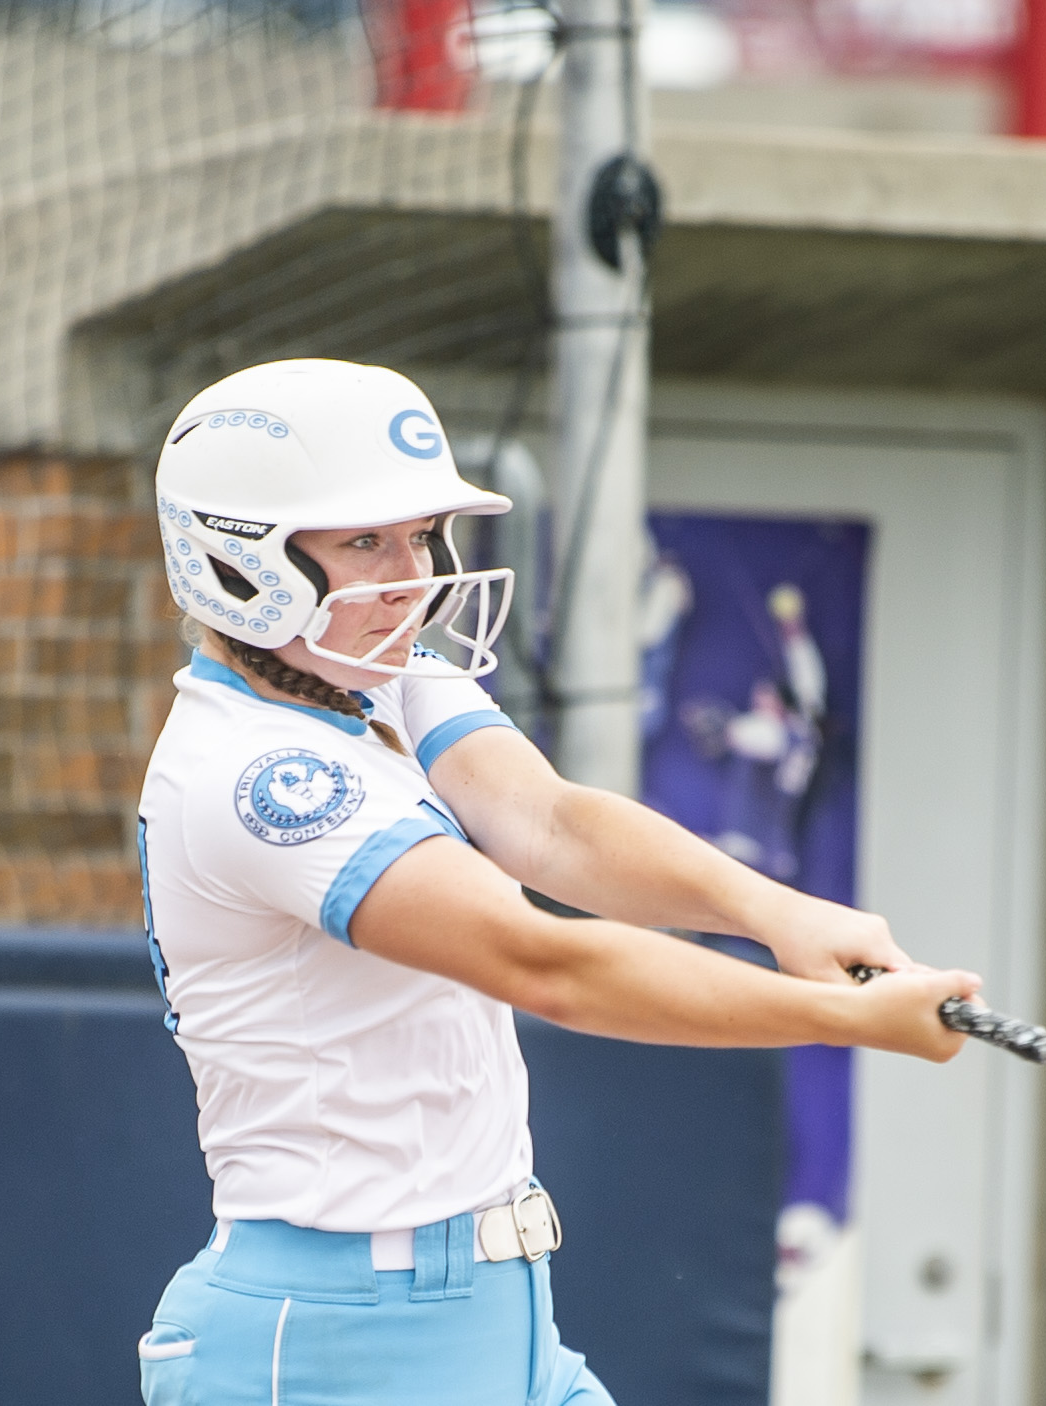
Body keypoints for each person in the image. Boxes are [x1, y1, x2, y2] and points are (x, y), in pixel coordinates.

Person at [136, 358, 981, 1405]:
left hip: (498, 1314)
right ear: (233, 559)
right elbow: (546, 960)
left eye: (419, 535)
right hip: (339, 1342)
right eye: (365, 541)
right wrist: (837, 1017)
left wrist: (783, 912)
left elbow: (552, 822)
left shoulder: (375, 676)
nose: (411, 573)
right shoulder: (258, 774)